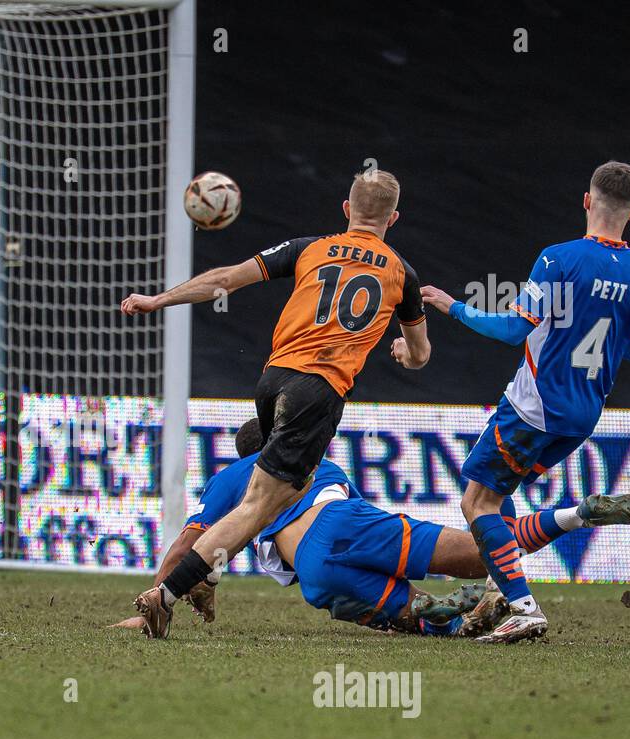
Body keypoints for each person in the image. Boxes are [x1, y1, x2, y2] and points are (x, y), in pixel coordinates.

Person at [121, 169, 430, 638]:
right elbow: (420, 353)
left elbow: (226, 278)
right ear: (395, 217)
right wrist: (405, 353)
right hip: (317, 391)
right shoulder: (401, 272)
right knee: (258, 506)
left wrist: (158, 300)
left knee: (267, 501)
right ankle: (166, 595)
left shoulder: (309, 247)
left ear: (347, 210)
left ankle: (205, 573)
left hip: (273, 380)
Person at [113, 420, 630, 640]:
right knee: (475, 550)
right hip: (341, 524)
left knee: (432, 625)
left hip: (313, 576)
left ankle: (449, 613)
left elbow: (193, 544)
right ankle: (574, 517)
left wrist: (159, 601)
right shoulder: (308, 459)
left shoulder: (230, 477)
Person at [421, 161, 630, 642]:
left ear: (587, 200)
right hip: (582, 416)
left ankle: (523, 605)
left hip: (534, 407)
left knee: (477, 503)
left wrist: (451, 305)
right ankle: (507, 580)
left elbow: (513, 329)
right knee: (500, 499)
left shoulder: (559, 259)